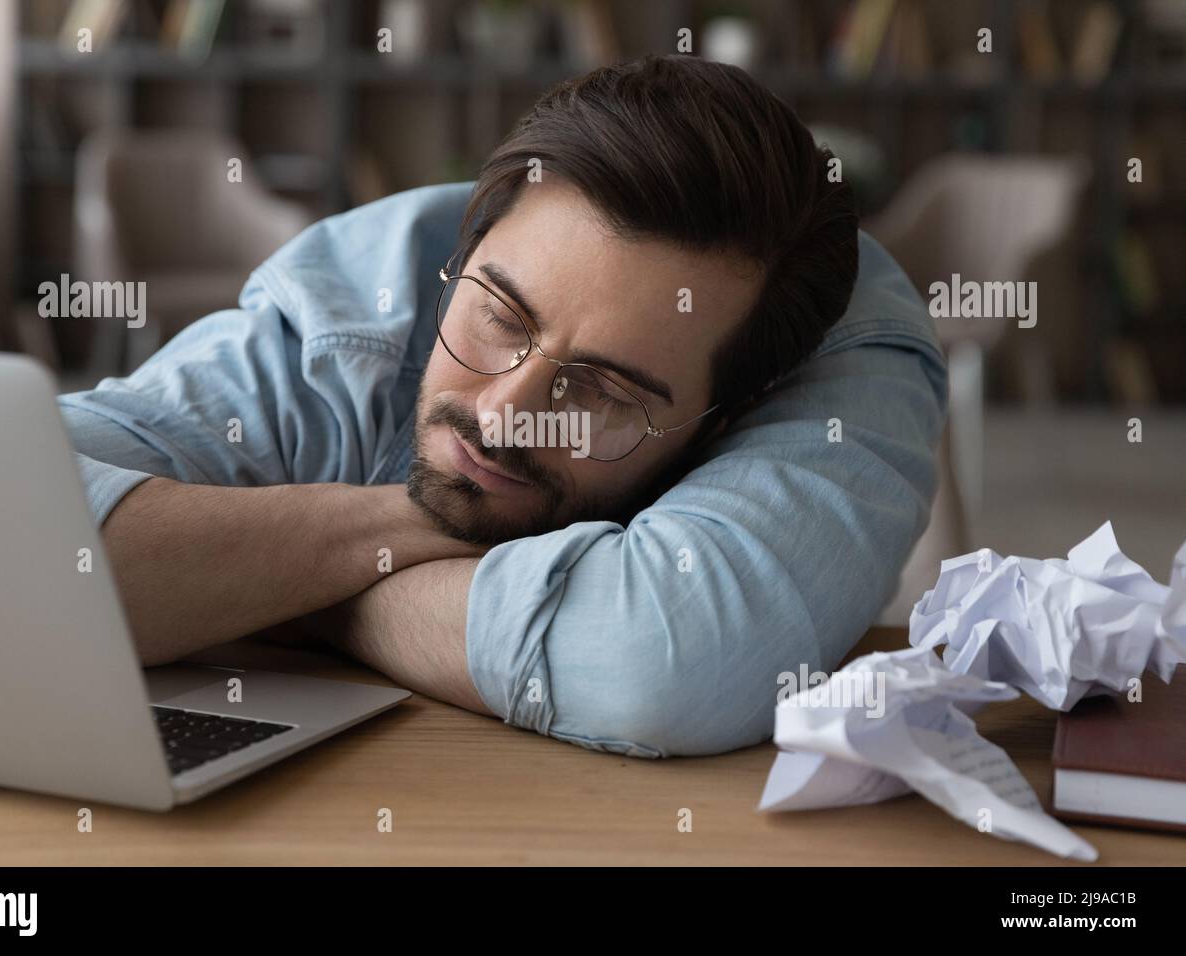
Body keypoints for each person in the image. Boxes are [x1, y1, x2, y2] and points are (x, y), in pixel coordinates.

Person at [59, 55, 946, 757]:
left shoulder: (839, 355)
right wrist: (378, 542)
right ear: (467, 247)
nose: (504, 413)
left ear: (723, 421)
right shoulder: (360, 293)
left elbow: (661, 664)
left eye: (603, 391)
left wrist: (262, 579)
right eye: (499, 317)